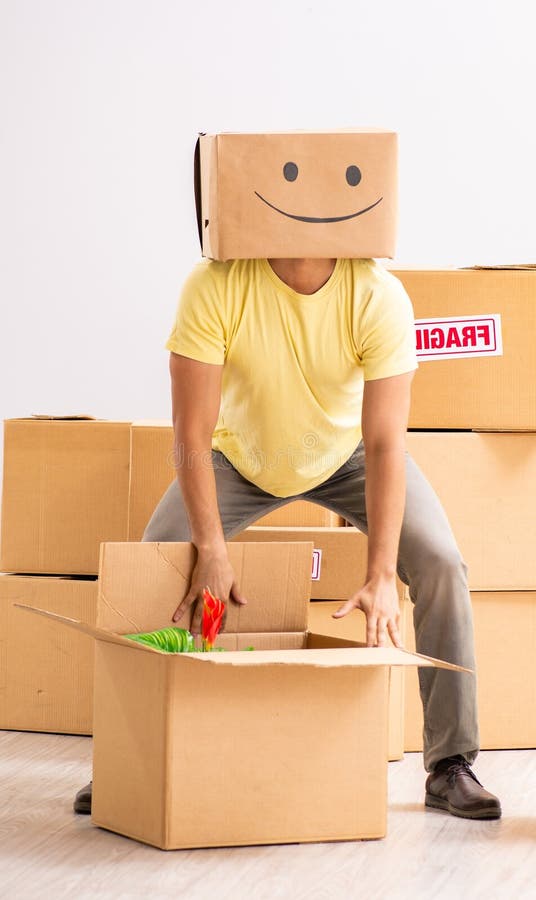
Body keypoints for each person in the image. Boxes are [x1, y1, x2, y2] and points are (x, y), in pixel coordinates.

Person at [74, 254, 501, 820]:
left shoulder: (378, 294)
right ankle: (134, 761)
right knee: (155, 561)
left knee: (443, 563)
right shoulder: (215, 285)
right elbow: (190, 437)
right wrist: (212, 550)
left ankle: (450, 766)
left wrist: (380, 573)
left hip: (347, 457)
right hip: (240, 458)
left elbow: (384, 446)